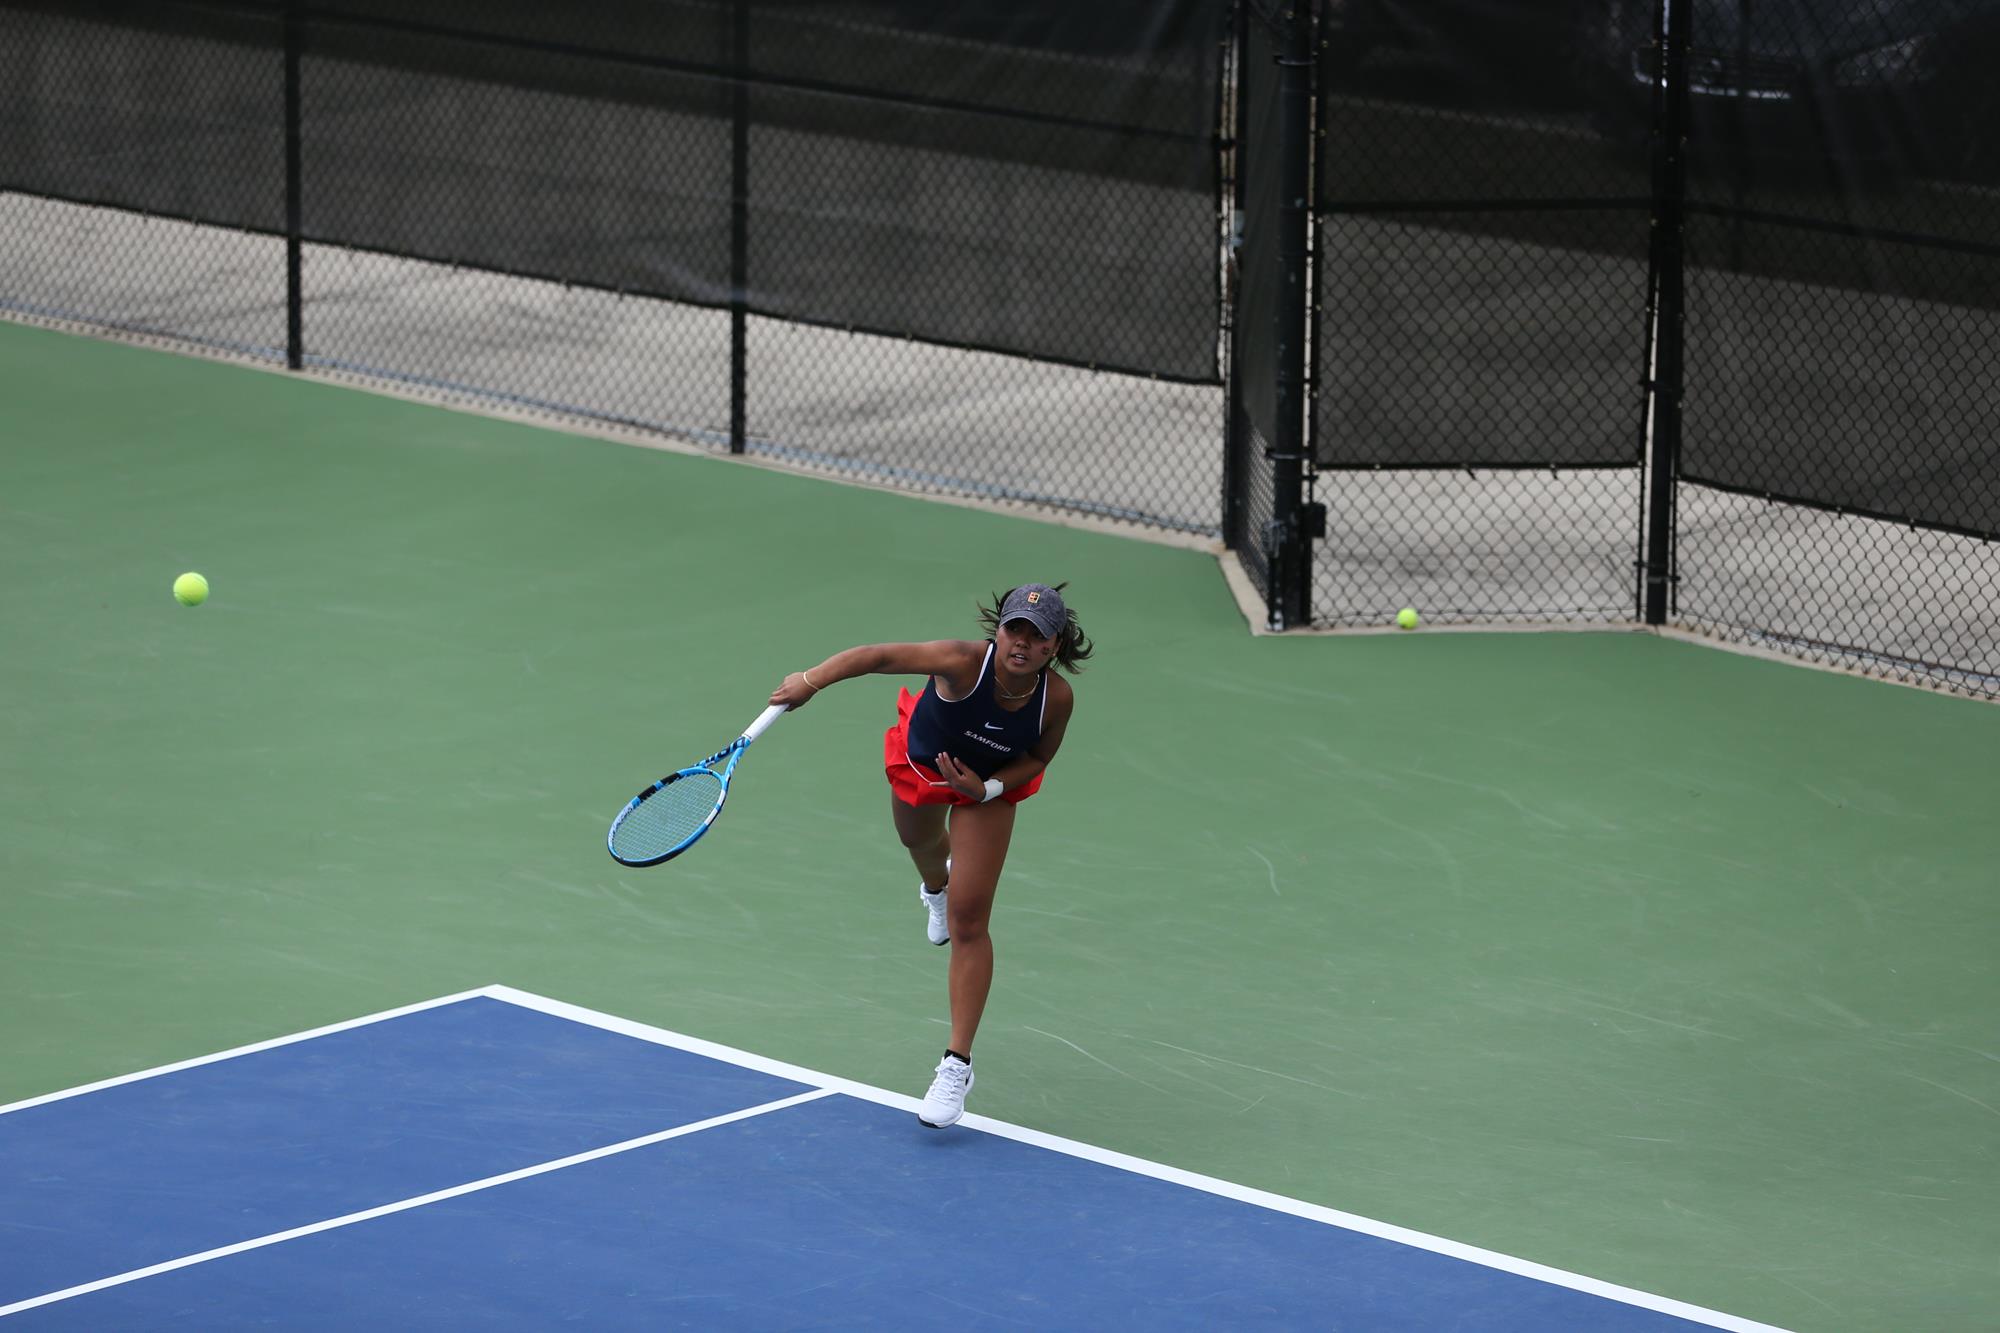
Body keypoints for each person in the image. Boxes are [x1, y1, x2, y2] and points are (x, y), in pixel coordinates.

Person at [767, 583, 1092, 1128]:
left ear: (1053, 647)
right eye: (1015, 628)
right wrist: (811, 680)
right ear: (1000, 630)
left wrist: (984, 791)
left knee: (971, 920)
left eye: (1037, 637)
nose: (1022, 642)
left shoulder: (1055, 698)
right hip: (921, 765)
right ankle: (934, 889)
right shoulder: (960, 662)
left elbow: (1037, 756)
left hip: (985, 789)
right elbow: (876, 657)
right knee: (918, 842)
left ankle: (956, 1064)